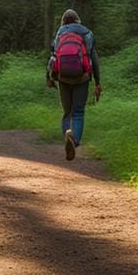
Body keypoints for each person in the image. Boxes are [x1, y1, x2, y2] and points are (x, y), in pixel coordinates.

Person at [46, 9, 101, 161]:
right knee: (78, 112)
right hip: (82, 78)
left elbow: (52, 57)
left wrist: (49, 77)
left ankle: (66, 136)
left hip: (63, 77)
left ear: (63, 21)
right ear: (78, 20)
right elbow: (94, 59)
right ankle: (74, 140)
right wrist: (97, 82)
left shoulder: (59, 33)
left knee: (67, 112)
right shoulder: (87, 33)